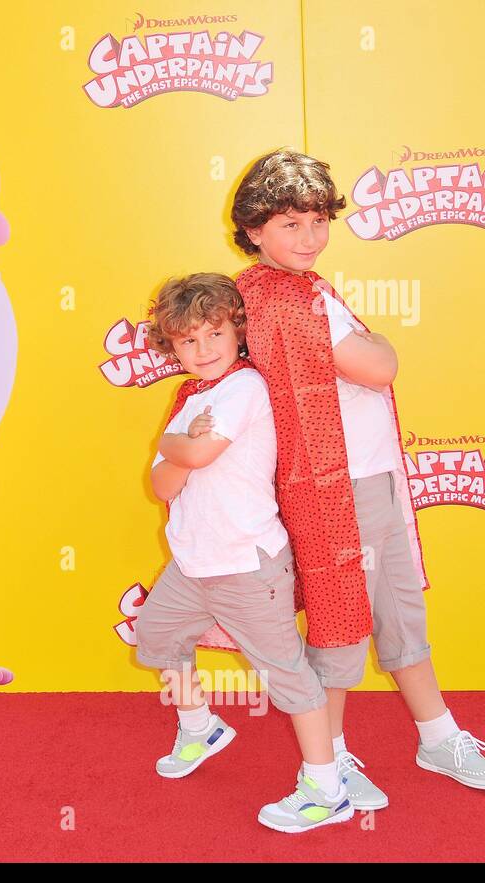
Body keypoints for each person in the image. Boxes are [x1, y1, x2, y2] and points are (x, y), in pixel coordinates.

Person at [230, 150, 485, 807]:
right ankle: (330, 762)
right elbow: (380, 365)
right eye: (291, 224)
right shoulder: (291, 299)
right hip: (335, 483)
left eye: (318, 221)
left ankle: (436, 734)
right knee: (340, 621)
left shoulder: (291, 291)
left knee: (397, 610)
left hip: (365, 473)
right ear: (252, 230)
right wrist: (379, 343)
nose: (309, 237)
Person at [134, 273, 353, 833]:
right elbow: (162, 486)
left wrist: (170, 446)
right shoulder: (191, 398)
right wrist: (177, 449)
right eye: (187, 340)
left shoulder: (243, 388)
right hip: (192, 564)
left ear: (238, 331)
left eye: (214, 333)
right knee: (158, 637)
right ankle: (199, 727)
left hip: (248, 566)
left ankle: (327, 791)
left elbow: (197, 455)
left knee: (288, 677)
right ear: (172, 345)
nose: (202, 350)